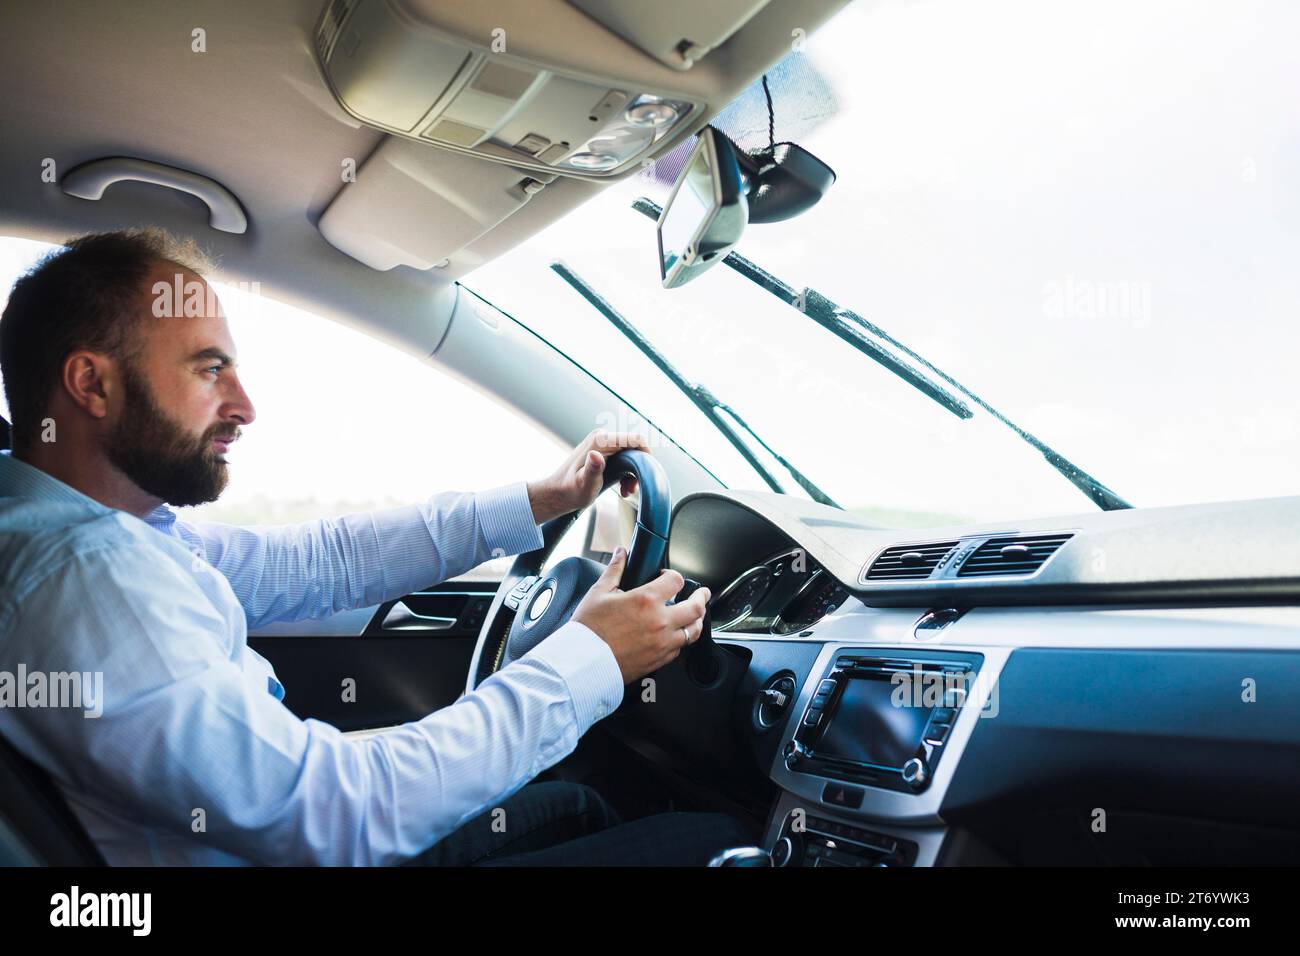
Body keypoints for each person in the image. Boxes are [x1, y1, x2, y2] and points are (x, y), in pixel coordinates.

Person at [0, 229, 756, 865]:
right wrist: (590, 656)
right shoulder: (87, 576)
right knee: (713, 838)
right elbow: (338, 816)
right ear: (91, 386)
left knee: (583, 805)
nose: (244, 405)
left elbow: (312, 562)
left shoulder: (103, 529)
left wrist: (541, 500)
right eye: (208, 368)